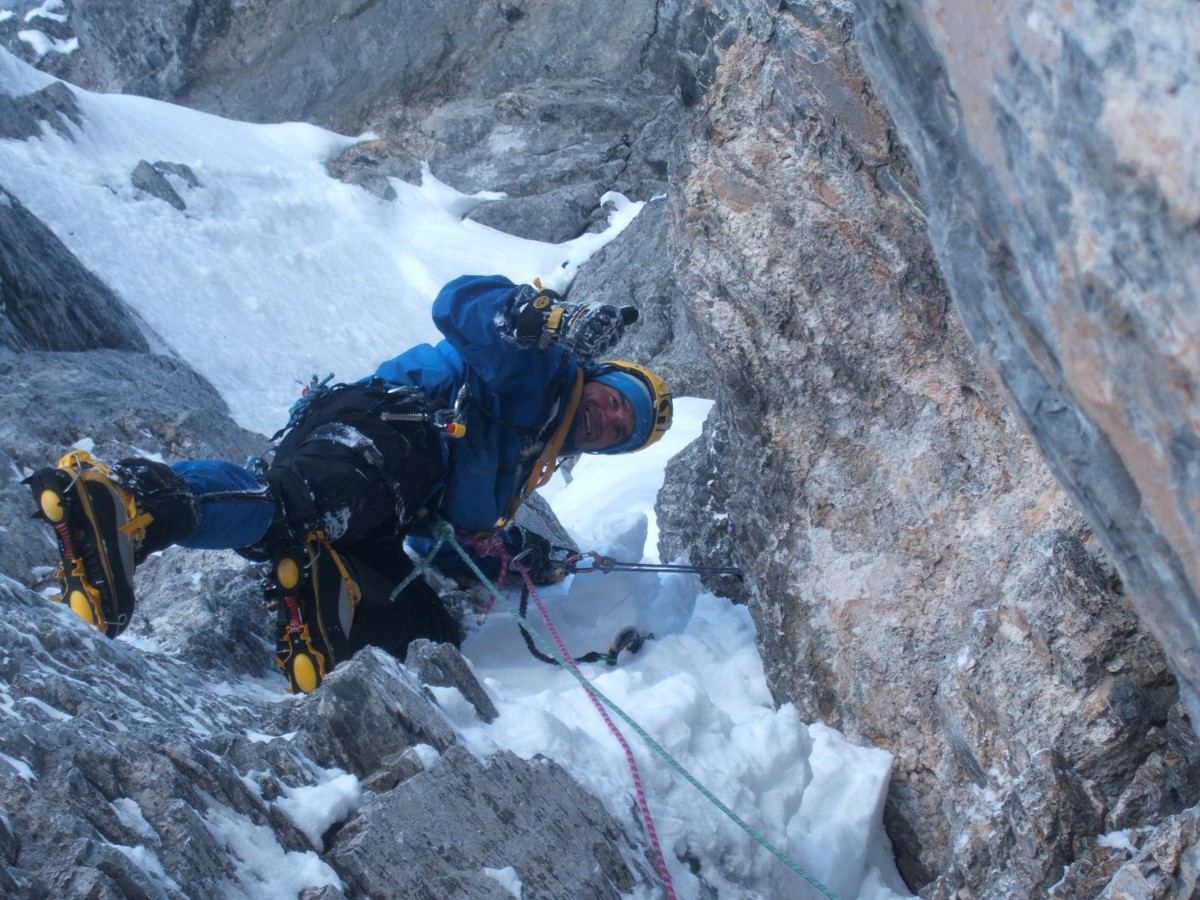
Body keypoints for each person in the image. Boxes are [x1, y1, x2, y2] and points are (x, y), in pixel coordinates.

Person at [27, 274, 673, 693]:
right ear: (600, 375)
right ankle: (128, 503)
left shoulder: (530, 455)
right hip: (391, 426)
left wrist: (521, 558)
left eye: (625, 431)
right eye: (620, 402)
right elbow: (458, 307)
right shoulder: (542, 370)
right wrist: (544, 320)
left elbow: (442, 539)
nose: (612, 422)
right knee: (295, 506)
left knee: (432, 637)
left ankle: (318, 593)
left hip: (396, 493)